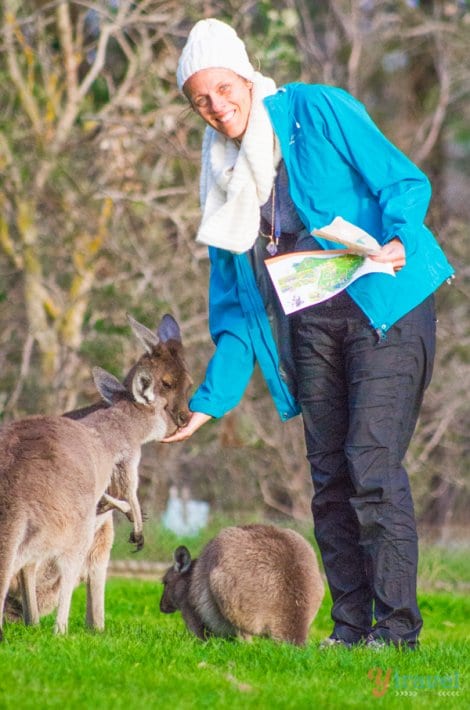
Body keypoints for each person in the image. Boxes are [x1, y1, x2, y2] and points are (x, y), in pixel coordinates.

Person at [164, 18, 454, 649]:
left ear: (244, 75)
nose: (217, 107)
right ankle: (350, 631)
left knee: (371, 465)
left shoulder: (316, 109)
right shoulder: (221, 185)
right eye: (200, 101)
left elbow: (403, 178)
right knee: (329, 478)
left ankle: (396, 633)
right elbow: (237, 309)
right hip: (312, 326)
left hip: (384, 304)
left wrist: (401, 234)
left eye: (221, 88)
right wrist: (209, 401)